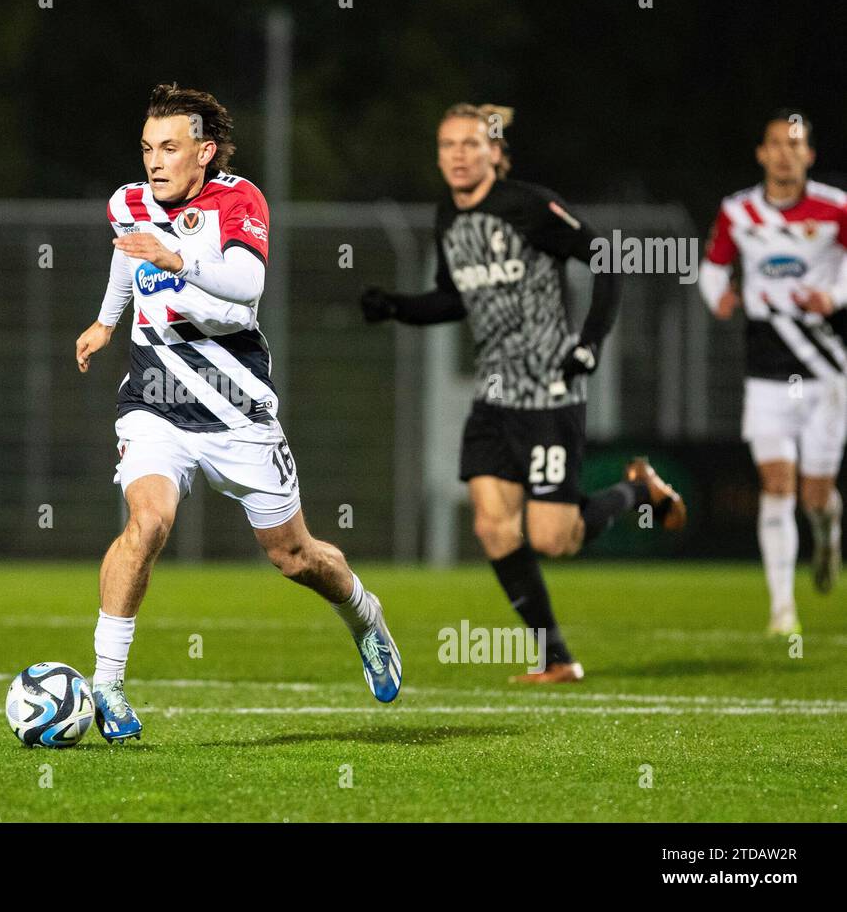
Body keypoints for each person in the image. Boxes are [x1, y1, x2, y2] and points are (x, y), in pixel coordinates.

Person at [74, 83, 402, 743]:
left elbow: (245, 285)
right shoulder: (129, 203)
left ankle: (365, 616)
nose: (154, 162)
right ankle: (107, 687)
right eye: (147, 148)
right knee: (148, 522)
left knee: (295, 556)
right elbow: (125, 249)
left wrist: (178, 258)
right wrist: (107, 322)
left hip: (240, 415)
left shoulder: (238, 202)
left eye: (170, 148)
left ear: (205, 152)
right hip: (155, 405)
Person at [362, 103, 685, 683]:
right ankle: (557, 657)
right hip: (494, 398)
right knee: (491, 527)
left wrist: (590, 342)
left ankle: (637, 488)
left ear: (492, 151)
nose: (458, 155)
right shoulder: (447, 217)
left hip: (550, 396)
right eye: (447, 145)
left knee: (553, 540)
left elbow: (608, 260)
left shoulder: (529, 207)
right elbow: (453, 299)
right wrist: (396, 306)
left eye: (469, 144)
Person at [698, 109, 847, 635]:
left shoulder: (835, 209)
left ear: (809, 154)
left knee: (813, 495)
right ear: (761, 153)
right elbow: (713, 265)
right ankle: (782, 611)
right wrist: (719, 295)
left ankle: (828, 528)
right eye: (775, 144)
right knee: (776, 485)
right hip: (764, 369)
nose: (785, 153)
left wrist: (834, 294)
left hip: (826, 371)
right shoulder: (738, 212)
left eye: (795, 144)